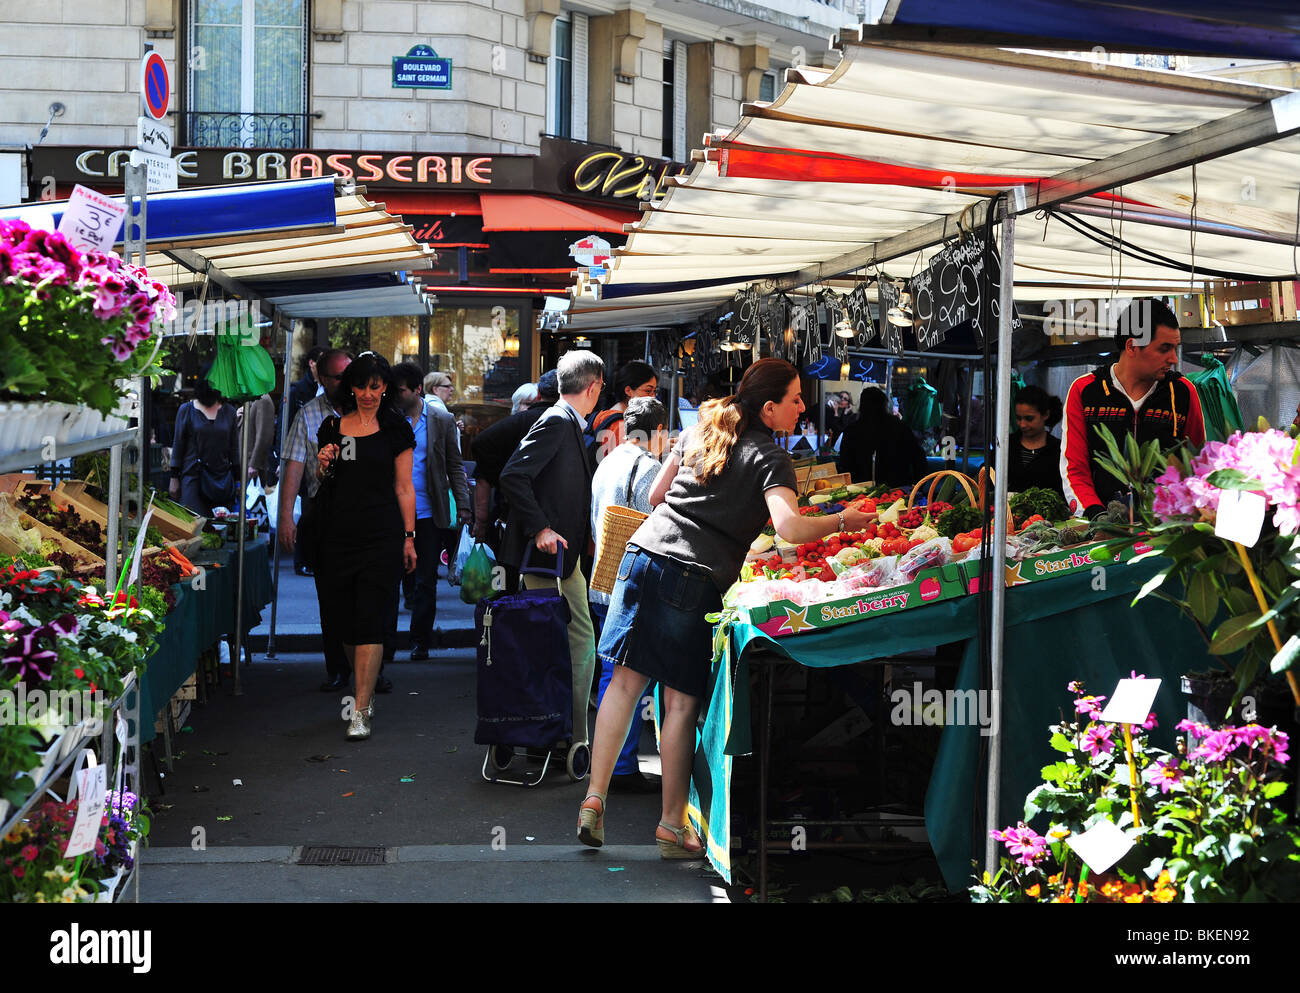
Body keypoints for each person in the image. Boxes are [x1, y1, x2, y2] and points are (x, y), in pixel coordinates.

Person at [577, 358, 874, 856]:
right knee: (680, 703)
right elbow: (790, 528)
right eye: (796, 399)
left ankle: (592, 799)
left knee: (625, 684)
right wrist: (844, 520)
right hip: (690, 577)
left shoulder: (703, 429)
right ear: (769, 407)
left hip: (641, 556)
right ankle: (671, 825)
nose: (803, 408)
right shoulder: (771, 458)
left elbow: (655, 494)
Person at [499, 351, 605, 755]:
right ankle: (568, 735)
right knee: (572, 642)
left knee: (566, 641)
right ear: (593, 387)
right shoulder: (558, 421)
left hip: (562, 557)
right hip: (550, 557)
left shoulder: (563, 421)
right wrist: (540, 527)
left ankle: (563, 733)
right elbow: (513, 475)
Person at [314, 353, 417, 741]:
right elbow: (324, 476)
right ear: (350, 387)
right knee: (344, 619)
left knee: (371, 616)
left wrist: (409, 538)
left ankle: (360, 708)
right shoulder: (332, 427)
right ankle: (362, 693)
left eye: (376, 386)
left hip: (382, 535)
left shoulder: (396, 429)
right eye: (361, 385)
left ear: (386, 387)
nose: (368, 393)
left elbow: (404, 487)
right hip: (337, 535)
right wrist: (324, 462)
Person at [1061, 297, 1205, 518]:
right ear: (1132, 346)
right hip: (1103, 528)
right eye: (1164, 348)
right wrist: (1097, 516)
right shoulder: (1086, 390)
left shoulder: (1183, 391)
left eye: (1175, 348)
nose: (1174, 358)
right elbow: (1075, 469)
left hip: (1166, 528)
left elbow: (1196, 464)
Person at [588, 396, 667, 794]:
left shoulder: (608, 462)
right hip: (632, 584)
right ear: (659, 431)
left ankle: (612, 761)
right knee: (631, 677)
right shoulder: (649, 467)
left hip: (602, 579)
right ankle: (620, 765)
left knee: (611, 674)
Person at [279, 348, 364, 691]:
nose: (344, 383)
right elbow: (294, 468)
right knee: (331, 597)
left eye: (348, 375)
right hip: (325, 516)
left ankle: (372, 666)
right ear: (321, 379)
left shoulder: (372, 411)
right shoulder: (309, 416)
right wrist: (287, 516)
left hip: (367, 516)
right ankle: (338, 669)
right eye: (336, 377)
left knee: (367, 596)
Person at [393, 362, 470, 660]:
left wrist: (463, 505)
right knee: (391, 579)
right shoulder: (389, 418)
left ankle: (419, 641)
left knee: (426, 579)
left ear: (416, 390)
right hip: (393, 512)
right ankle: (385, 644)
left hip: (427, 512)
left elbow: (454, 464)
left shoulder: (440, 418)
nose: (395, 396)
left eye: (400, 391)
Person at [471, 370, 559, 589]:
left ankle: (500, 615)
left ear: (539, 394)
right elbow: (481, 449)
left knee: (504, 582)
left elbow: (481, 447)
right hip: (520, 517)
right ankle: (500, 615)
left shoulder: (525, 422)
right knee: (519, 583)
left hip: (512, 516)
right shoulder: (558, 421)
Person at [169, 379, 240, 517]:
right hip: (193, 478)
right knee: (193, 525)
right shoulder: (186, 410)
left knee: (219, 527)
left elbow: (234, 449)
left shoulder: (229, 412)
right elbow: (178, 445)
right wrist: (174, 477)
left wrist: (238, 480)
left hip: (221, 480)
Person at [836, 387, 928, 485]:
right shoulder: (899, 426)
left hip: (861, 491)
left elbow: (844, 465)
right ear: (884, 404)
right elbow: (918, 457)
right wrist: (917, 486)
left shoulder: (852, 430)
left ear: (862, 405)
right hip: (897, 489)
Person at [591, 360, 658, 462]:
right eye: (648, 391)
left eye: (655, 391)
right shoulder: (620, 425)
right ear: (628, 390)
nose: (653, 397)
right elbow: (631, 465)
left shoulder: (606, 416)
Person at [1008, 385, 1064, 497]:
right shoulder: (1006, 446)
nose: (1022, 424)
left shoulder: (1058, 450)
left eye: (1029, 419)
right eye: (1018, 418)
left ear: (1046, 415)